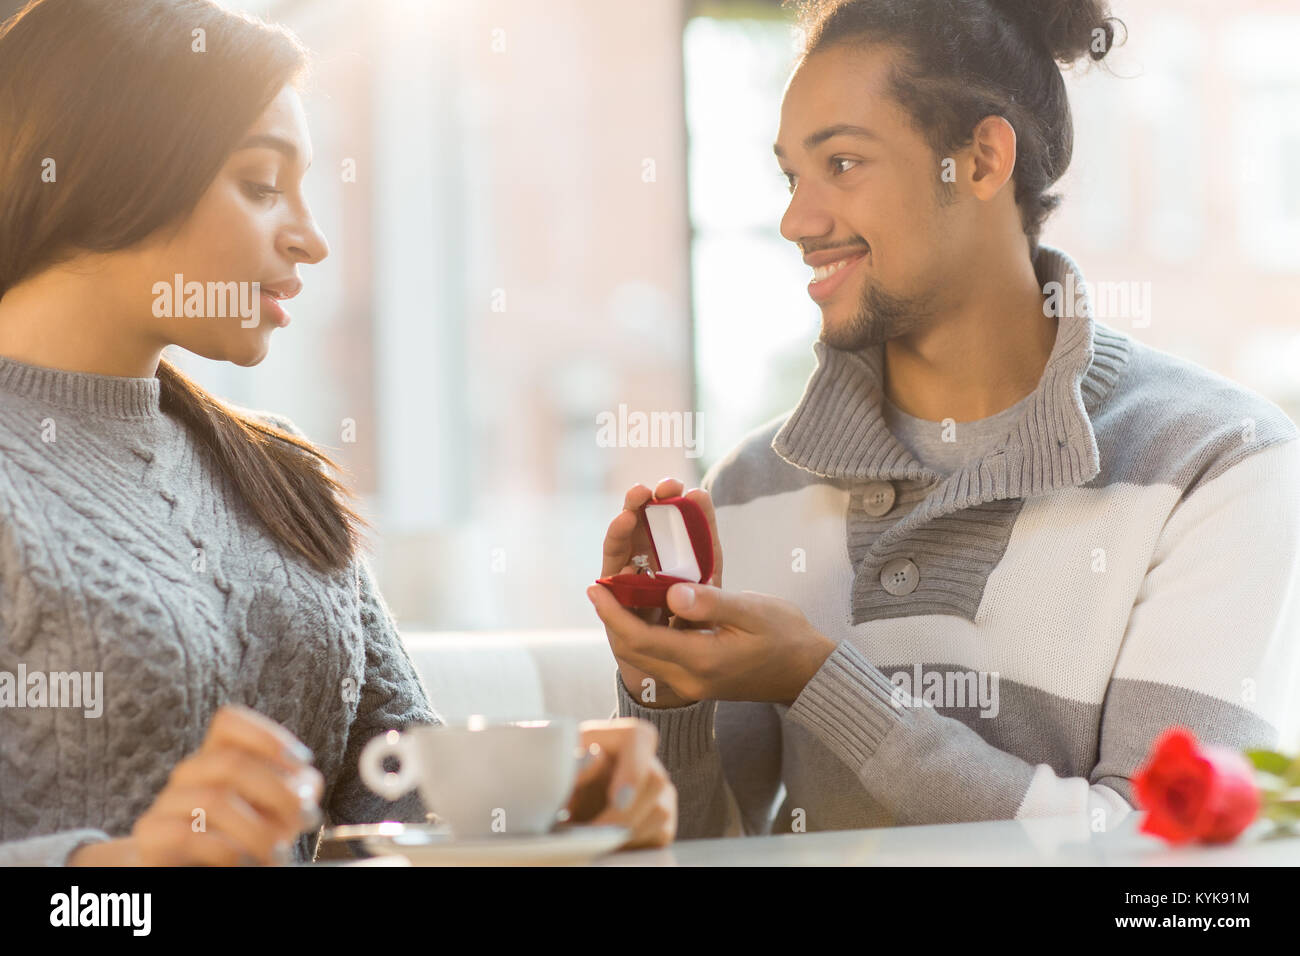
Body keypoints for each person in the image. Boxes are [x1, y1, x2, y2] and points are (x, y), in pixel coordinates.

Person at [589, 0, 1300, 839]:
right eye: (791, 177)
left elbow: (1167, 864)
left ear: (982, 159)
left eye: (844, 162)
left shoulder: (1215, 463)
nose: (796, 222)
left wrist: (823, 682)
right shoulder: (750, 488)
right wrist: (661, 687)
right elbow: (698, 853)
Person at [0, 0, 674, 866]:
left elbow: (395, 811)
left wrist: (561, 815)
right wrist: (112, 874)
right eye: (260, 184)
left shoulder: (279, 475)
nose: (312, 239)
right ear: (112, 166)